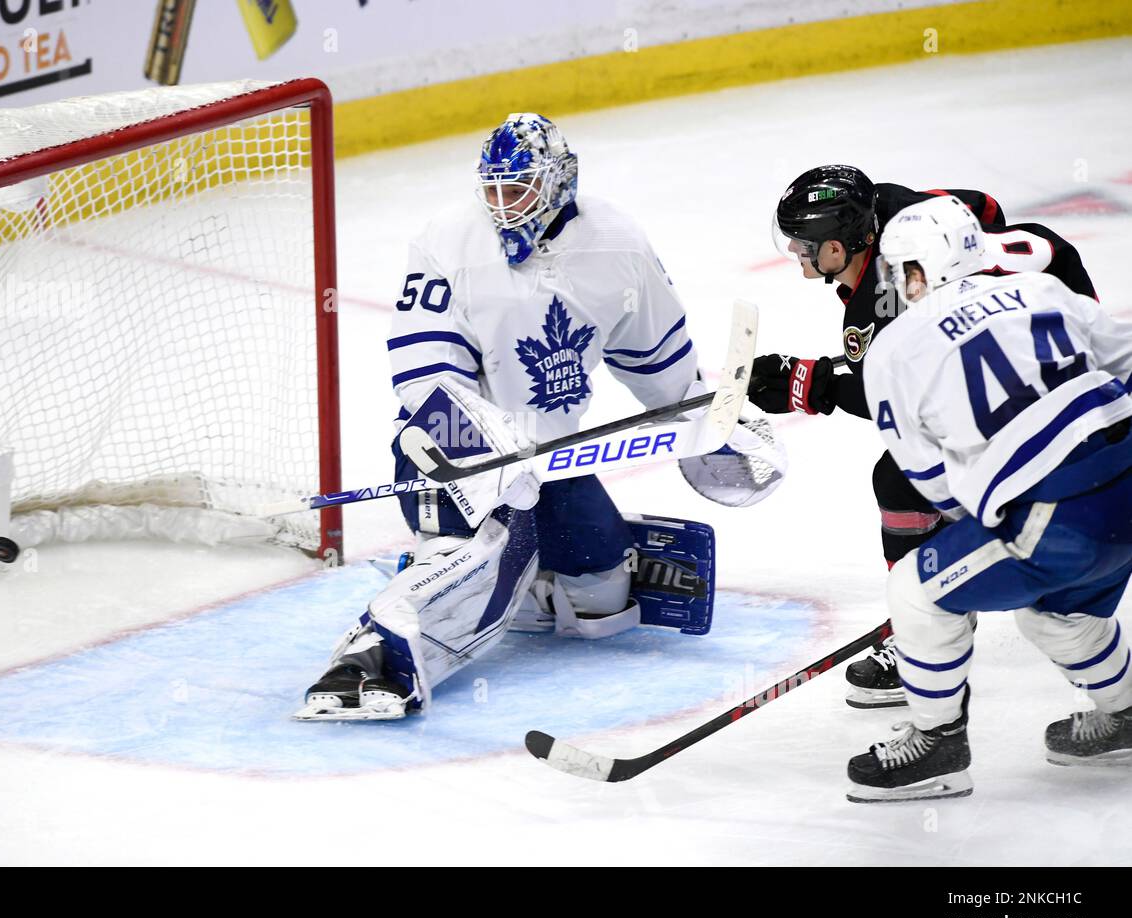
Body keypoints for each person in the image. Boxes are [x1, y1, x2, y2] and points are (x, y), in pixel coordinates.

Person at [294, 113, 785, 720]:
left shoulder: (617, 246)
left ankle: (495, 576)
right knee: (491, 554)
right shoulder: (449, 239)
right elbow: (425, 374)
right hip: (449, 451)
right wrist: (485, 453)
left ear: (557, 184)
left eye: (517, 188)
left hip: (547, 459)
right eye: (492, 189)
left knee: (601, 595)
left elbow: (661, 366)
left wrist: (710, 422)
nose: (502, 205)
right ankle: (372, 655)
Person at [752, 165, 1097, 708]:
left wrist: (809, 385)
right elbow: (982, 204)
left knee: (901, 479)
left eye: (805, 243)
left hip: (1038, 363)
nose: (795, 251)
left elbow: (895, 399)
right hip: (1052, 315)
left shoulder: (888, 293)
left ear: (842, 245)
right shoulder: (893, 206)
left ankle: (921, 625)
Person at [843, 195, 1132, 801]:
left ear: (916, 270)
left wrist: (976, 530)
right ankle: (1127, 715)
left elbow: (928, 479)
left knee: (917, 595)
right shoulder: (1043, 290)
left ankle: (937, 747)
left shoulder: (894, 348)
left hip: (1061, 517)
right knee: (1059, 615)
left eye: (899, 273)